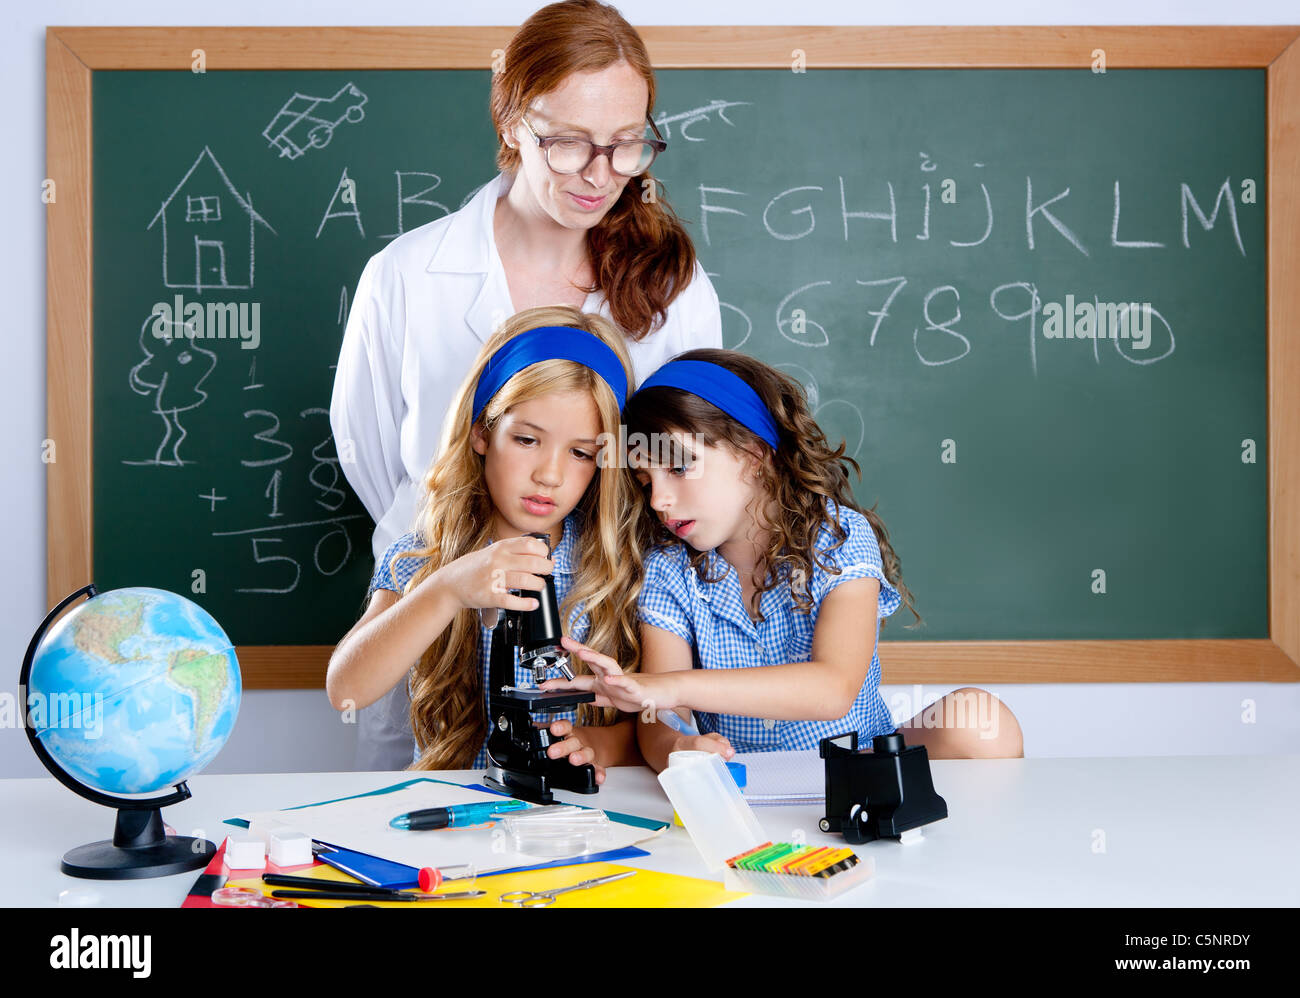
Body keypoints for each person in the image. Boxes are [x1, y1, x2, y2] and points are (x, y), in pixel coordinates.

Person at [329, 0, 723, 769]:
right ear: (511, 122)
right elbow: (378, 464)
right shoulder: (406, 276)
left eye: (626, 145)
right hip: (437, 643)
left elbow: (690, 468)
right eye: (569, 144)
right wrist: (458, 552)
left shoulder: (677, 291)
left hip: (607, 622)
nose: (601, 174)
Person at [543, 349, 1025, 769]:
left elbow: (832, 689)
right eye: (647, 482)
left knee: (982, 721)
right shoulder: (669, 568)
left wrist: (669, 687)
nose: (659, 501)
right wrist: (680, 745)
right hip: (740, 778)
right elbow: (661, 720)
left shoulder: (836, 537)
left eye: (679, 467)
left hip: (854, 765)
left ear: (755, 452)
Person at [326, 307, 646, 777]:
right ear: (481, 431)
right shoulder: (423, 558)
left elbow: (651, 729)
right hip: (454, 816)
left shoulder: (617, 566)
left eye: (581, 453)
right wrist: (447, 589)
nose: (549, 475)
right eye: (526, 440)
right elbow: (346, 691)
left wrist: (596, 742)